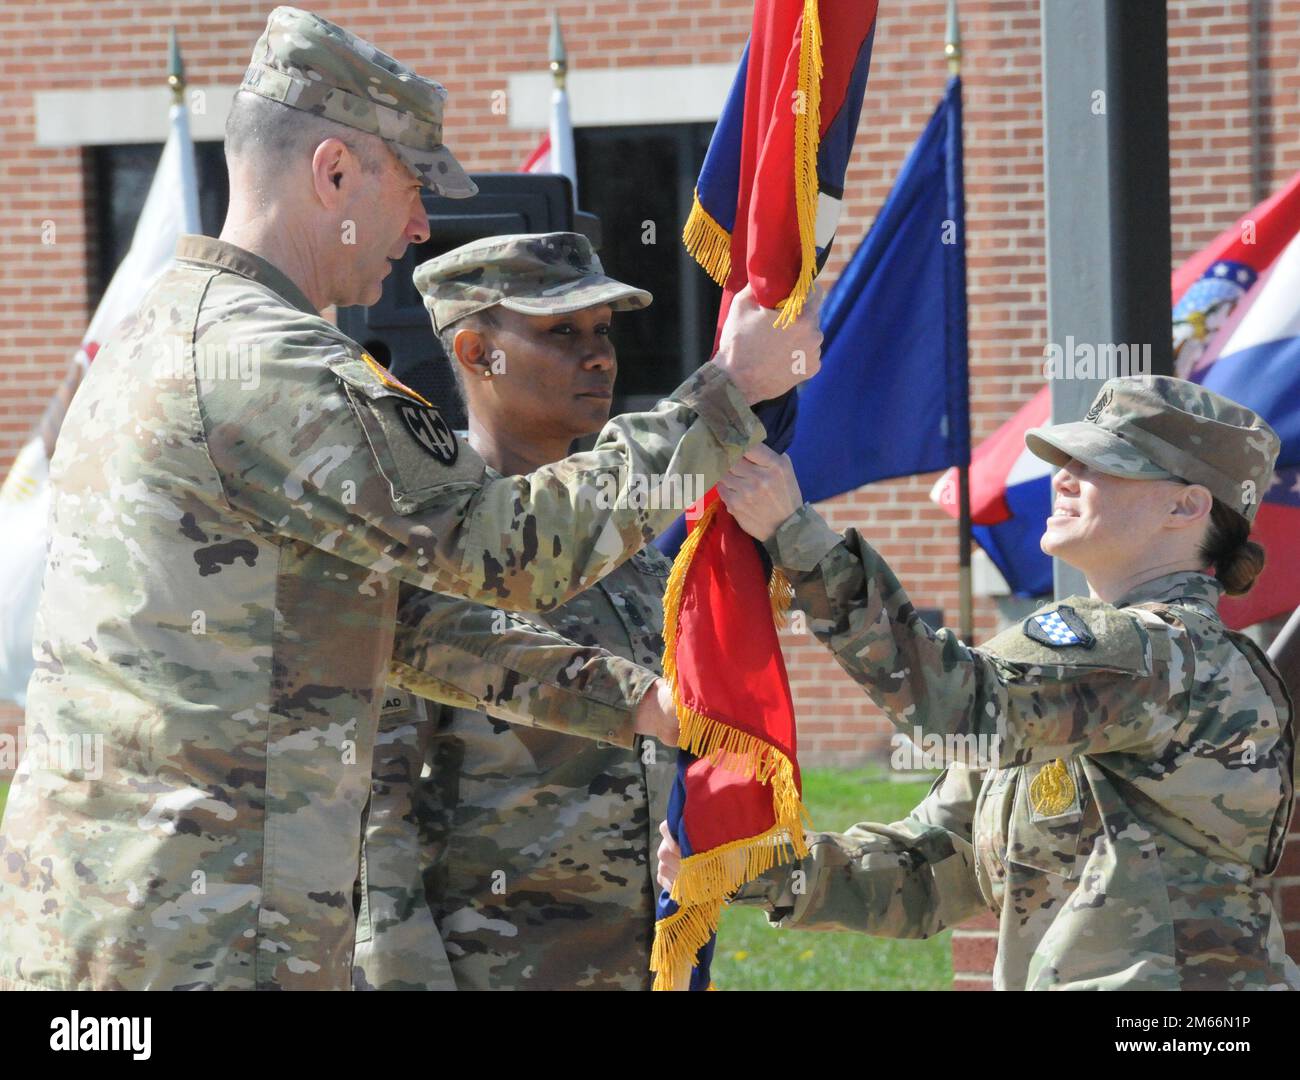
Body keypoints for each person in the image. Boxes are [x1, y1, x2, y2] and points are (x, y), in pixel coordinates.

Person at [0, 8, 822, 991]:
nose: (424, 225)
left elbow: (398, 620)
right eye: (414, 185)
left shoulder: (160, 335)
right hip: (201, 940)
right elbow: (508, 550)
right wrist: (725, 397)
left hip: (123, 923)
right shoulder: (277, 368)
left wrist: (640, 702)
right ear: (335, 173)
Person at [659, 375, 1298, 990]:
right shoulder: (1088, 675)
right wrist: (749, 867)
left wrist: (795, 536)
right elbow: (931, 870)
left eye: (1104, 465)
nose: (1065, 479)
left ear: (1186, 506)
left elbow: (953, 704)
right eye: (1067, 460)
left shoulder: (1162, 652)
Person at [354, 235, 681, 990]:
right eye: (561, 332)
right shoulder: (434, 550)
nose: (597, 356)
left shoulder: (627, 552)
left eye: (603, 332)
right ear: (476, 351)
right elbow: (376, 814)